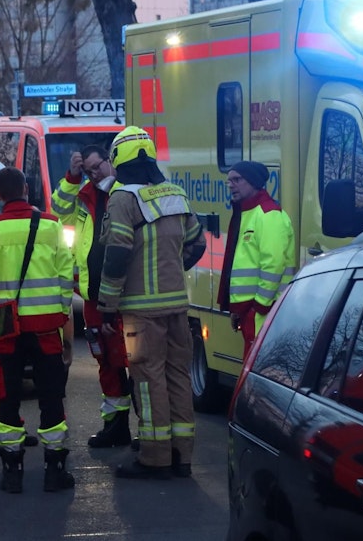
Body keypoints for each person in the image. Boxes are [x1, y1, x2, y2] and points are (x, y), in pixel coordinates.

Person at [97, 126, 206, 480]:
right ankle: (182, 457)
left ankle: (154, 457)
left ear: (118, 161)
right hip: (178, 306)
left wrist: (106, 305)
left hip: (141, 311)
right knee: (177, 376)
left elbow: (116, 255)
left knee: (147, 379)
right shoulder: (174, 193)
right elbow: (197, 244)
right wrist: (174, 270)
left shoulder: (123, 199)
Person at [0, 167, 76, 494]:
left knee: (8, 396)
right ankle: (54, 469)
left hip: (7, 325)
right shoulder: (51, 225)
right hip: (47, 323)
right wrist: (62, 313)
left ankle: (12, 471)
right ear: (27, 190)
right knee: (51, 396)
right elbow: (65, 275)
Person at [51, 145, 132, 448]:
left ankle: (148, 432)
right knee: (106, 363)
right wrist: (72, 177)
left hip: (125, 298)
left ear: (110, 163)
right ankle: (115, 425)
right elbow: (57, 209)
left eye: (98, 167)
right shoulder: (84, 195)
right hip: (93, 298)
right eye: (88, 170)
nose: (95, 174)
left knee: (134, 364)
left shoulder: (126, 192)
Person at [217, 161, 296, 354]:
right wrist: (237, 309)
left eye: (237, 179)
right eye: (229, 181)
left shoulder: (268, 214)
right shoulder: (246, 213)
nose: (231, 185)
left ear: (252, 181)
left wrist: (259, 306)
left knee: (258, 371)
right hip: (251, 310)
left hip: (265, 310)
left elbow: (273, 265)